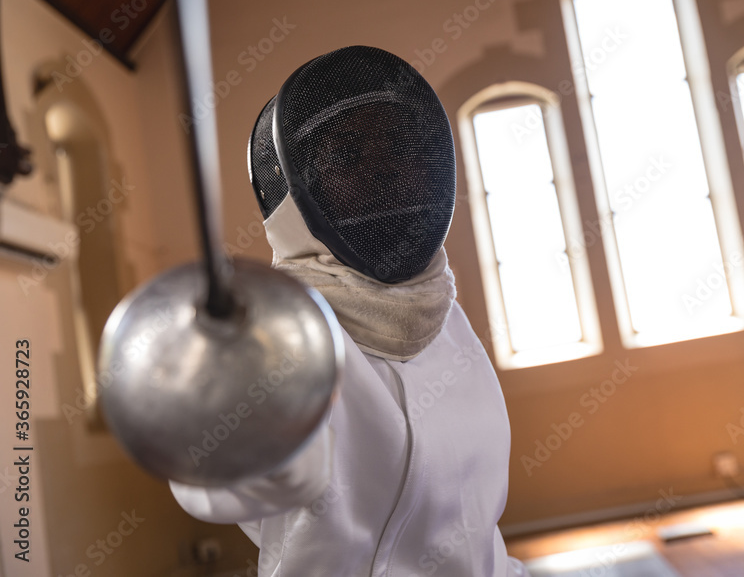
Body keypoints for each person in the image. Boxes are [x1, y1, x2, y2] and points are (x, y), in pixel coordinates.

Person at [168, 46, 527, 577]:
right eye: (347, 156)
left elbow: (475, 535)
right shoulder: (272, 332)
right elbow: (214, 485)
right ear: (291, 192)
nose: (387, 170)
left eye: (400, 147)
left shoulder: (442, 313)